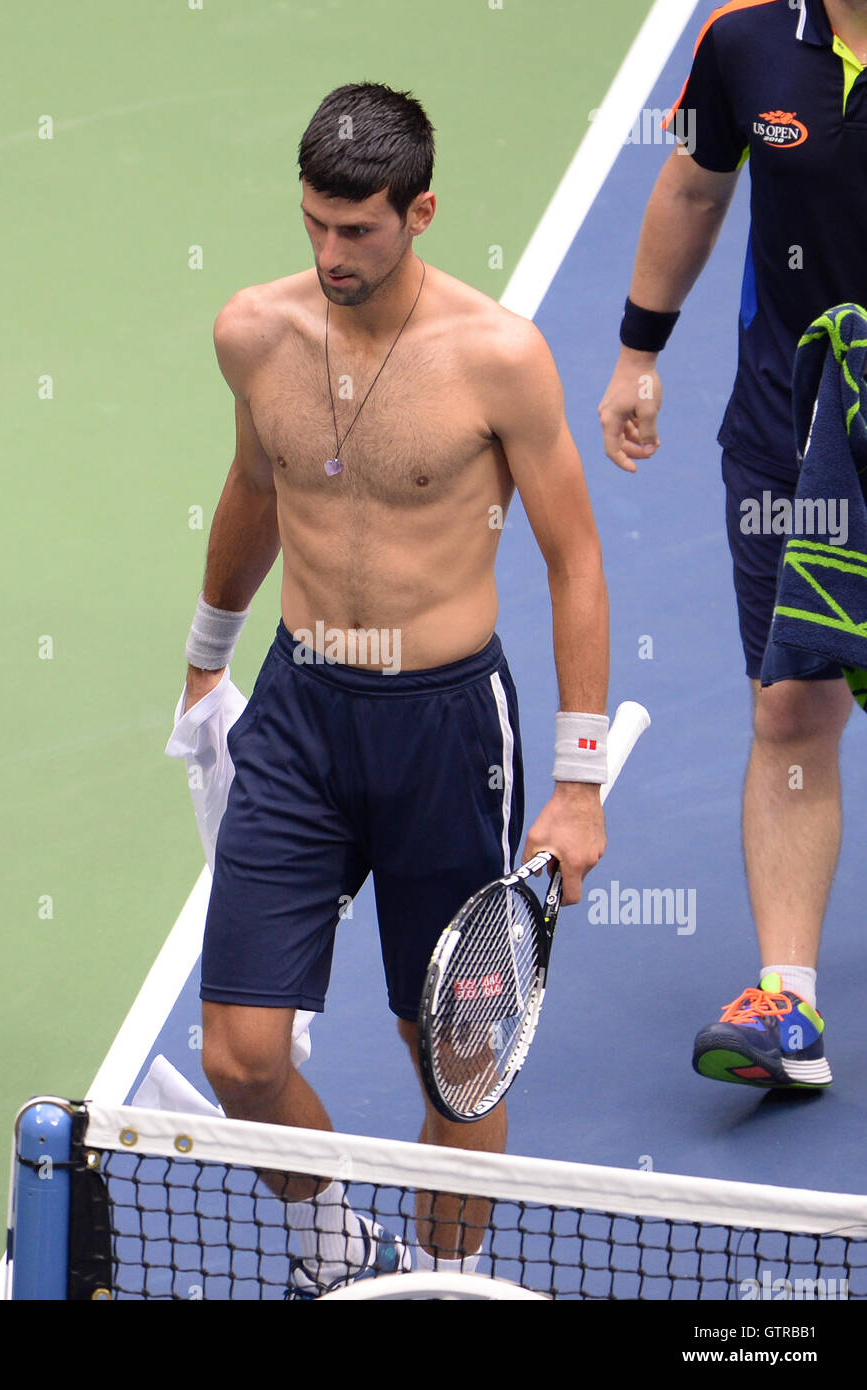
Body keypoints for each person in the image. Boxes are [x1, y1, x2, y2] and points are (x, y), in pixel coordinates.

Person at [183, 82, 609, 1294]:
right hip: (300, 714)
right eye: (314, 223)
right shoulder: (252, 333)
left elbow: (573, 559)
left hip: (445, 733)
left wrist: (574, 784)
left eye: (358, 230)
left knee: (456, 1061)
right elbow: (254, 492)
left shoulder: (495, 355)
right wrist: (207, 659)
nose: (329, 253)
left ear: (419, 212)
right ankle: (337, 1249)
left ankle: (435, 1282)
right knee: (240, 1055)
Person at [599, 0, 867, 1090]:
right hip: (791, 434)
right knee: (787, 702)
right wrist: (634, 353)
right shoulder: (741, 41)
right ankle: (786, 1004)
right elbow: (695, 186)